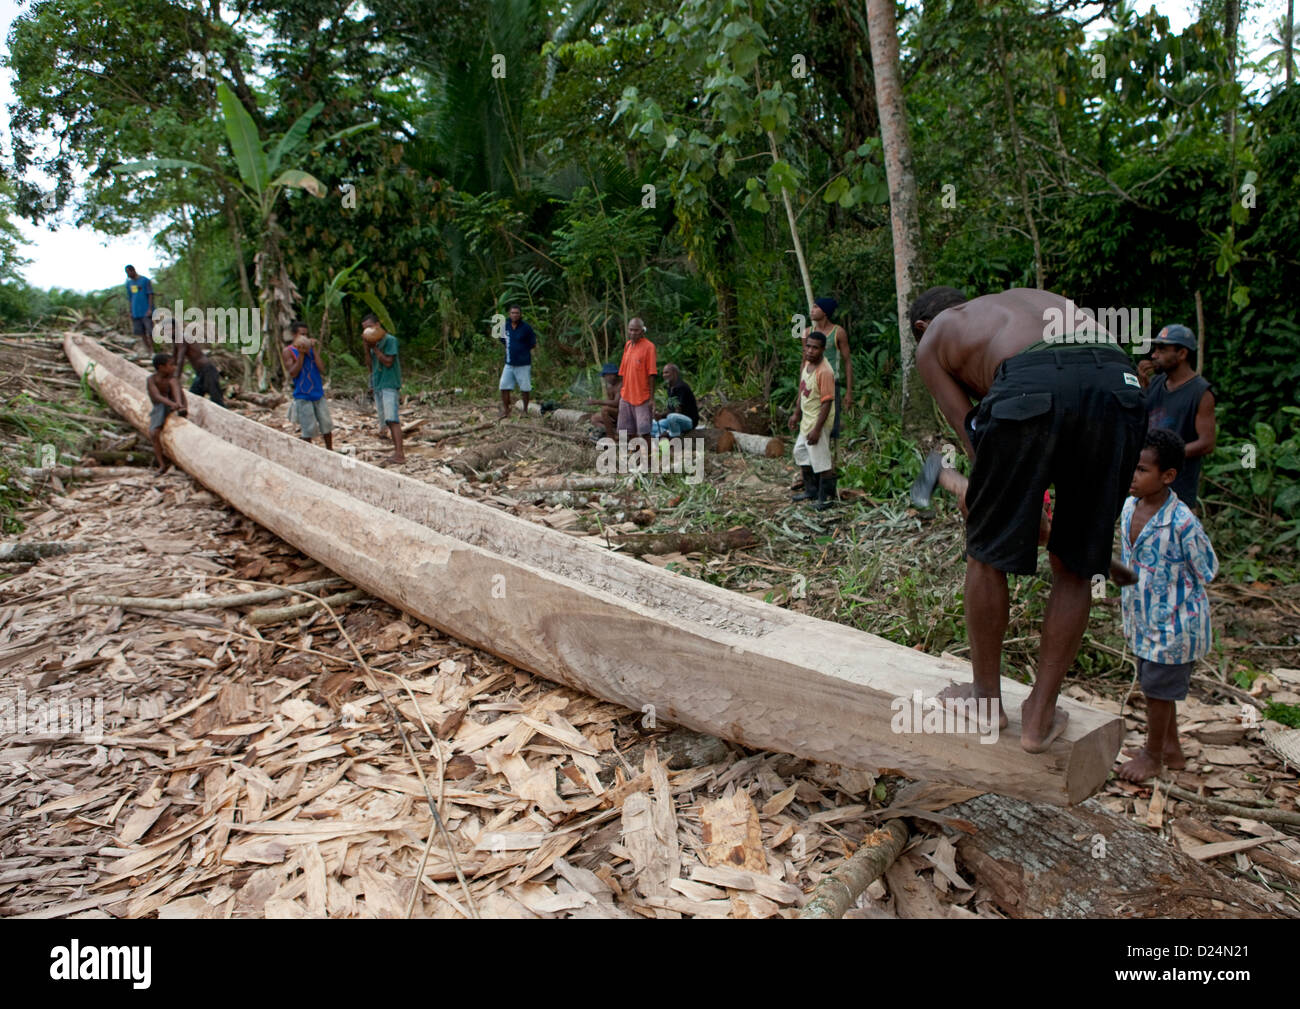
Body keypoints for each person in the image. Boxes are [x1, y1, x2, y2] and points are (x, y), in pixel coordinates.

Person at [910, 286, 1147, 752]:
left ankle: (984, 701)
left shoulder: (932, 340)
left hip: (1032, 383)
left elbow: (976, 441)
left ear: (921, 326)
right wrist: (1031, 502)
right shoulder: (1021, 305)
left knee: (986, 556)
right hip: (1120, 385)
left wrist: (1002, 510)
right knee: (1077, 566)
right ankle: (1038, 718)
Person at [1117, 428, 1218, 782]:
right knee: (1156, 687)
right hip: (1142, 620)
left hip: (1175, 626)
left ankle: (1153, 755)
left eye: (1142, 469)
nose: (1132, 474)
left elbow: (1207, 568)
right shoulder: (1130, 506)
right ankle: (1171, 748)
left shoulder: (1182, 522)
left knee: (1158, 691)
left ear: (1168, 476)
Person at [1137, 324, 1215, 509]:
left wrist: (1165, 456)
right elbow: (1138, 422)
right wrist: (1141, 388)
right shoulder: (1155, 383)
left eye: (1162, 350)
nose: (1154, 355)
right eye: (1155, 349)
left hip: (1178, 490)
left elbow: (1206, 443)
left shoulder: (1200, 392)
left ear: (1182, 354)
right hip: (1147, 485)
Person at [788, 331, 837, 510]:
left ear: (823, 349)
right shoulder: (807, 364)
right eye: (808, 346)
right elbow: (803, 391)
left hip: (818, 422)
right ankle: (811, 490)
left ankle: (826, 498)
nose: (810, 350)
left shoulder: (825, 371)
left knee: (821, 461)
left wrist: (817, 429)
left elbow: (827, 403)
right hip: (806, 420)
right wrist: (796, 413)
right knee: (800, 452)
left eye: (815, 348)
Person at [803, 296, 853, 431]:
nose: (812, 310)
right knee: (812, 422)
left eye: (816, 307)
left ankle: (831, 451)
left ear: (824, 312)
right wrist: (801, 385)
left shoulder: (838, 332)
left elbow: (847, 361)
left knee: (831, 424)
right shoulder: (808, 332)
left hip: (831, 383)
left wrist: (849, 391)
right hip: (812, 383)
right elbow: (804, 361)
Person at [282, 321, 334, 450]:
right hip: (302, 395)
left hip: (318, 393)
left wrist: (313, 350)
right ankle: (309, 453)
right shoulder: (288, 351)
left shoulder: (311, 350)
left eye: (306, 334)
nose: (304, 337)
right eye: (301, 334)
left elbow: (322, 368)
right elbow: (293, 372)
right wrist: (301, 354)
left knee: (326, 425)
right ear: (294, 335)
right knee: (307, 429)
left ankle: (330, 450)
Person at [363, 314, 404, 464]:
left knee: (392, 419)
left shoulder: (389, 341)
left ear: (377, 325)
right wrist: (367, 348)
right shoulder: (374, 343)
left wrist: (375, 348)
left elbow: (388, 362)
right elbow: (369, 365)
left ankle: (400, 453)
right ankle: (396, 451)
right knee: (386, 421)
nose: (367, 331)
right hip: (379, 384)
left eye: (369, 327)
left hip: (389, 384)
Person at [617, 317, 656, 452]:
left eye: (636, 330)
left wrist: (651, 398)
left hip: (642, 397)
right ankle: (636, 456)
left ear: (642, 331)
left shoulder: (649, 347)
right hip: (626, 395)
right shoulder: (628, 345)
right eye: (631, 330)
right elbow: (623, 372)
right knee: (627, 430)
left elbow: (652, 373)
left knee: (644, 431)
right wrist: (621, 391)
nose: (633, 333)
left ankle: (649, 460)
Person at [168, 316, 225, 407]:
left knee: (217, 400)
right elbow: (174, 359)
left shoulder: (182, 338)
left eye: (171, 329)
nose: (169, 332)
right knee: (193, 397)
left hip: (207, 371)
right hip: (200, 373)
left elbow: (180, 360)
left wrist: (176, 378)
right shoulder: (176, 340)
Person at [146, 352, 187, 474]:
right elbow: (156, 396)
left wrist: (178, 404)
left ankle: (181, 410)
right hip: (161, 405)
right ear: (161, 367)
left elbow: (176, 392)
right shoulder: (151, 379)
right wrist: (171, 404)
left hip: (176, 403)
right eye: (171, 365)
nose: (174, 367)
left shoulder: (172, 379)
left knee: (174, 383)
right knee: (154, 433)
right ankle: (162, 464)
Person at [499, 305, 538, 418]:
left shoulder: (526, 328)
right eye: (512, 313)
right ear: (509, 314)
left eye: (517, 313)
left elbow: (533, 343)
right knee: (504, 386)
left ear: (520, 314)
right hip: (509, 363)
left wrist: (522, 350)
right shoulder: (506, 326)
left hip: (523, 364)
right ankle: (507, 410)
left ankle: (525, 411)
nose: (514, 315)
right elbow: (502, 339)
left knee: (525, 388)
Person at [652, 363, 699, 439]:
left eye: (667, 372)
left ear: (675, 373)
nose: (664, 375)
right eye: (663, 373)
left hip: (688, 421)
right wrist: (660, 415)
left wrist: (665, 417)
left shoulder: (681, 387)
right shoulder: (670, 389)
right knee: (652, 424)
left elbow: (678, 411)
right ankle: (662, 434)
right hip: (674, 420)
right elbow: (670, 409)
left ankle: (673, 436)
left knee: (672, 417)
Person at [125, 265, 156, 358]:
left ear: (133, 270)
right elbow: (130, 298)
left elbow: (150, 295)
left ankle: (152, 349)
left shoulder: (145, 281)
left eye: (129, 272)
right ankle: (147, 350)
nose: (128, 275)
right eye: (126, 273)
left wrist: (150, 309)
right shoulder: (129, 284)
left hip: (145, 310)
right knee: (141, 332)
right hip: (136, 312)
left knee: (150, 331)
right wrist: (130, 311)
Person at [587, 363, 622, 441]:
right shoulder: (609, 386)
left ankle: (611, 437)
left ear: (613, 375)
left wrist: (597, 401)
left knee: (605, 409)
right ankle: (614, 432)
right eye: (605, 376)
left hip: (624, 414)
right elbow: (609, 402)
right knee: (594, 419)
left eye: (607, 376)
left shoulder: (620, 385)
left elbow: (616, 403)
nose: (606, 378)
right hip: (615, 415)